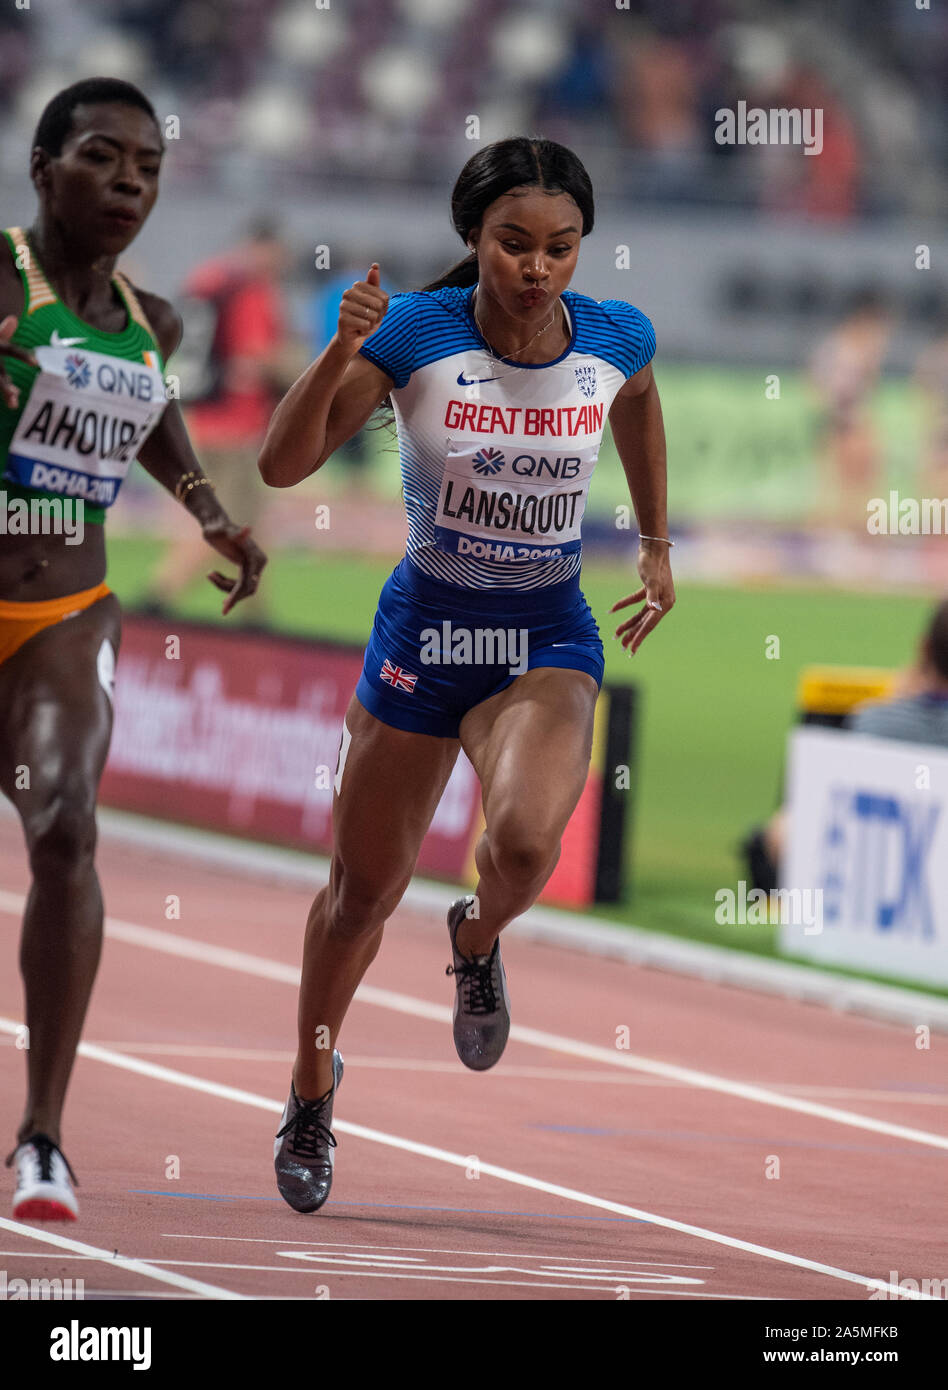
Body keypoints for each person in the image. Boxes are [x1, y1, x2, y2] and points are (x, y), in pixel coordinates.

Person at [259, 137, 674, 1214]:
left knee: (528, 842)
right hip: (426, 636)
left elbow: (636, 401)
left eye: (562, 247)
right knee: (359, 897)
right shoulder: (415, 333)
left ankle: (476, 935)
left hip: (544, 632)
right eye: (514, 243)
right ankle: (313, 1086)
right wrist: (335, 352)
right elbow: (282, 463)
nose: (538, 268)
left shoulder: (618, 335)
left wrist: (659, 542)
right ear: (474, 239)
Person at [0, 77, 265, 1221]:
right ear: (43, 167)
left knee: (64, 826)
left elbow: (152, 410)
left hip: (61, 610)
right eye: (103, 158)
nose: (128, 184)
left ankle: (43, 1138)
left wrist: (208, 510)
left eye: (148, 168)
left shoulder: (157, 322)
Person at [143, 218, 293, 618]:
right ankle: (157, 598)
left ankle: (256, 617)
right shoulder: (250, 291)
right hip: (234, 426)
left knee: (250, 521)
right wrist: (312, 370)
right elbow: (257, 358)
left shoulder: (205, 281)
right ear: (266, 248)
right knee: (224, 518)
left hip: (195, 418)